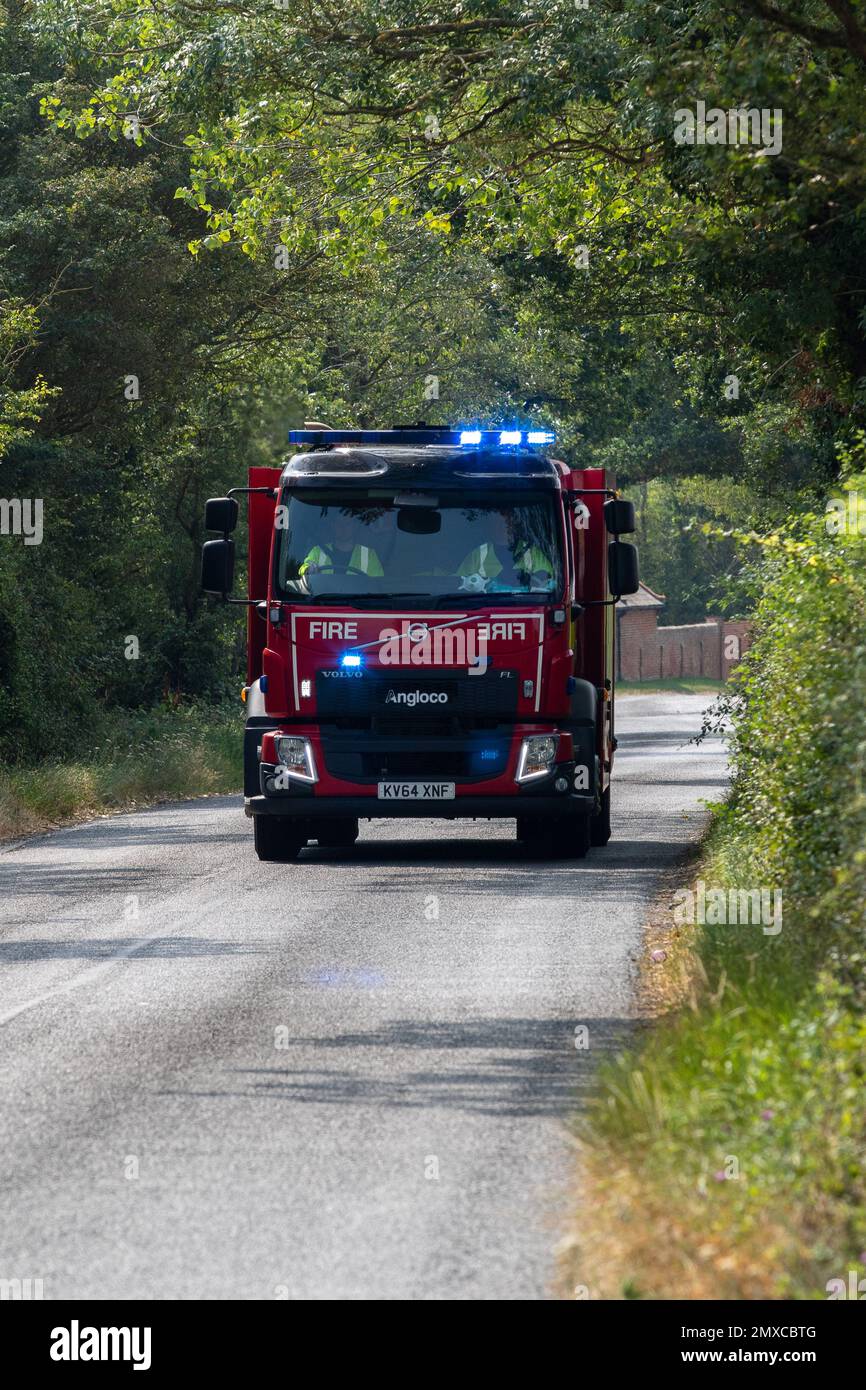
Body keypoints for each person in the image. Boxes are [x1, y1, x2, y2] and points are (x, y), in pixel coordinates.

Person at [457, 510, 554, 591]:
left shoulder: (532, 553)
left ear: (513, 525)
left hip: (527, 610)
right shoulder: (478, 555)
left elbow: (550, 586)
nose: (501, 526)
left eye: (506, 522)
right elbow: (460, 587)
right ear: (488, 527)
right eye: (496, 522)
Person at [300, 510, 384, 578]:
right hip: (323, 598)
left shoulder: (369, 555)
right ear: (333, 526)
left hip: (359, 598)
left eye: (347, 523)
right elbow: (303, 569)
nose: (343, 527)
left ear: (354, 526)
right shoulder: (318, 551)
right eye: (338, 523)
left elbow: (377, 584)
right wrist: (307, 569)